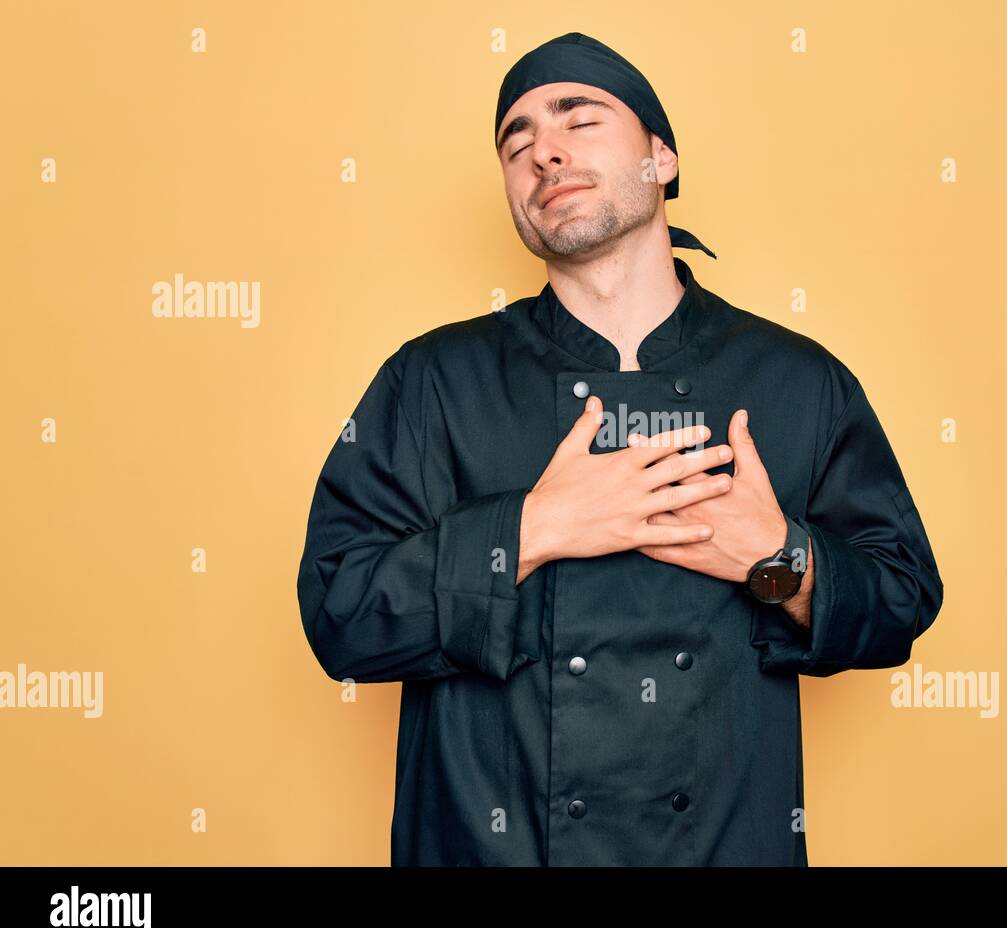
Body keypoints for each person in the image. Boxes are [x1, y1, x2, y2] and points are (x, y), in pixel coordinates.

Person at [296, 31, 944, 866]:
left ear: (662, 158)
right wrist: (530, 530)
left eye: (580, 118)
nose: (544, 153)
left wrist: (774, 558)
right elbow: (339, 617)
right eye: (516, 139)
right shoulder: (431, 382)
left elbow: (899, 602)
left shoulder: (796, 379)